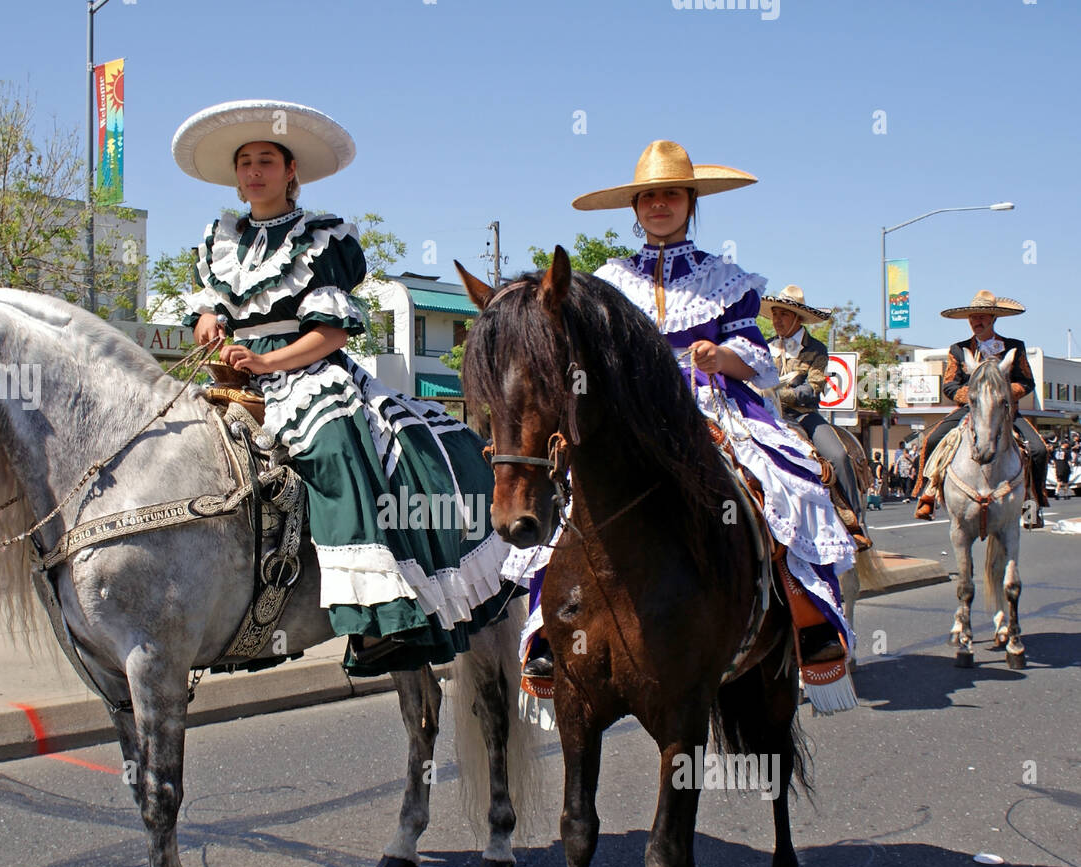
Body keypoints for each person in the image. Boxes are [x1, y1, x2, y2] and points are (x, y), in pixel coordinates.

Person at [172, 100, 511, 675]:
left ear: (290, 172)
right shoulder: (218, 239)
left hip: (307, 372)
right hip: (233, 373)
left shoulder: (321, 237)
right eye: (245, 163)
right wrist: (209, 321)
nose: (255, 172)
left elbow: (329, 334)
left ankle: (377, 616)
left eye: (267, 161)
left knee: (334, 447)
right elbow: (211, 304)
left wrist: (265, 360)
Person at [515, 140, 856, 710]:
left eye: (671, 195)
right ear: (635, 208)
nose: (659, 205)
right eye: (649, 197)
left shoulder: (727, 278)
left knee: (786, 483)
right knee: (565, 499)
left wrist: (719, 357)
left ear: (691, 202)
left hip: (710, 404)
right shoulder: (605, 279)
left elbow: (757, 355)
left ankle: (806, 620)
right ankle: (549, 634)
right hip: (626, 413)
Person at [913, 290, 1048, 527]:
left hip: (1005, 411)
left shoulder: (1014, 347)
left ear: (994, 319)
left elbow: (1027, 382)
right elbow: (950, 385)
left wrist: (1001, 394)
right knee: (931, 440)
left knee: (1038, 449)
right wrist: (975, 397)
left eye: (983, 317)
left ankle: (1032, 505)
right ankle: (929, 493)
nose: (977, 321)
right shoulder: (958, 349)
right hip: (969, 409)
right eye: (973, 317)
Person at [761, 284, 870, 548]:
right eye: (775, 314)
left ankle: (853, 522)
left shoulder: (816, 349)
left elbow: (812, 389)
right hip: (767, 415)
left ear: (797, 318)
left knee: (839, 455)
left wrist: (778, 393)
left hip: (803, 416)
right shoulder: (765, 347)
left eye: (783, 315)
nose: (777, 320)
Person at [1053, 434, 1071, 499]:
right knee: (1066, 481)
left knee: (1059, 481)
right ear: (1064, 444)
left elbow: (1054, 459)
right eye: (1067, 444)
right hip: (1065, 466)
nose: (1068, 445)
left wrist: (1055, 467)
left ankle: (1056, 492)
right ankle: (1065, 494)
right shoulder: (1066, 451)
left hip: (1058, 467)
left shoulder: (1056, 450)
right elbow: (1069, 460)